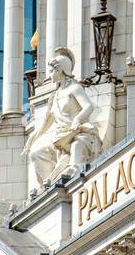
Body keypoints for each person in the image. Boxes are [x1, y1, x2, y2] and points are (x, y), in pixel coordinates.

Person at [26, 47, 102, 189]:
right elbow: (46, 123)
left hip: (79, 133)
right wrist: (33, 138)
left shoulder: (75, 88)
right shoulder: (54, 97)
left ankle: (64, 178)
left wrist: (78, 119)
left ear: (60, 70)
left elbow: (88, 106)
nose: (50, 74)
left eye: (51, 71)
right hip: (60, 138)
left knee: (76, 147)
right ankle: (47, 187)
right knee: (36, 154)